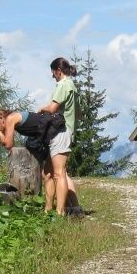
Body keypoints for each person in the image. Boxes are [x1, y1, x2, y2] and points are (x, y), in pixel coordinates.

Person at [36, 57, 87, 218]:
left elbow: (52, 108)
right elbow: (79, 114)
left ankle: (59, 212)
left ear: (58, 71)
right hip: (66, 130)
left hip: (60, 131)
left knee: (58, 173)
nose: (53, 76)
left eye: (53, 73)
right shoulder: (73, 87)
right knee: (49, 174)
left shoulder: (63, 85)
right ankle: (53, 209)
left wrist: (40, 110)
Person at [0, 107, 64, 209]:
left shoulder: (10, 118)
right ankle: (50, 208)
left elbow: (9, 145)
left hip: (57, 135)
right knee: (48, 175)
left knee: (59, 174)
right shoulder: (14, 117)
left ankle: (62, 209)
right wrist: (0, 133)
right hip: (53, 135)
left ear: (1, 118)